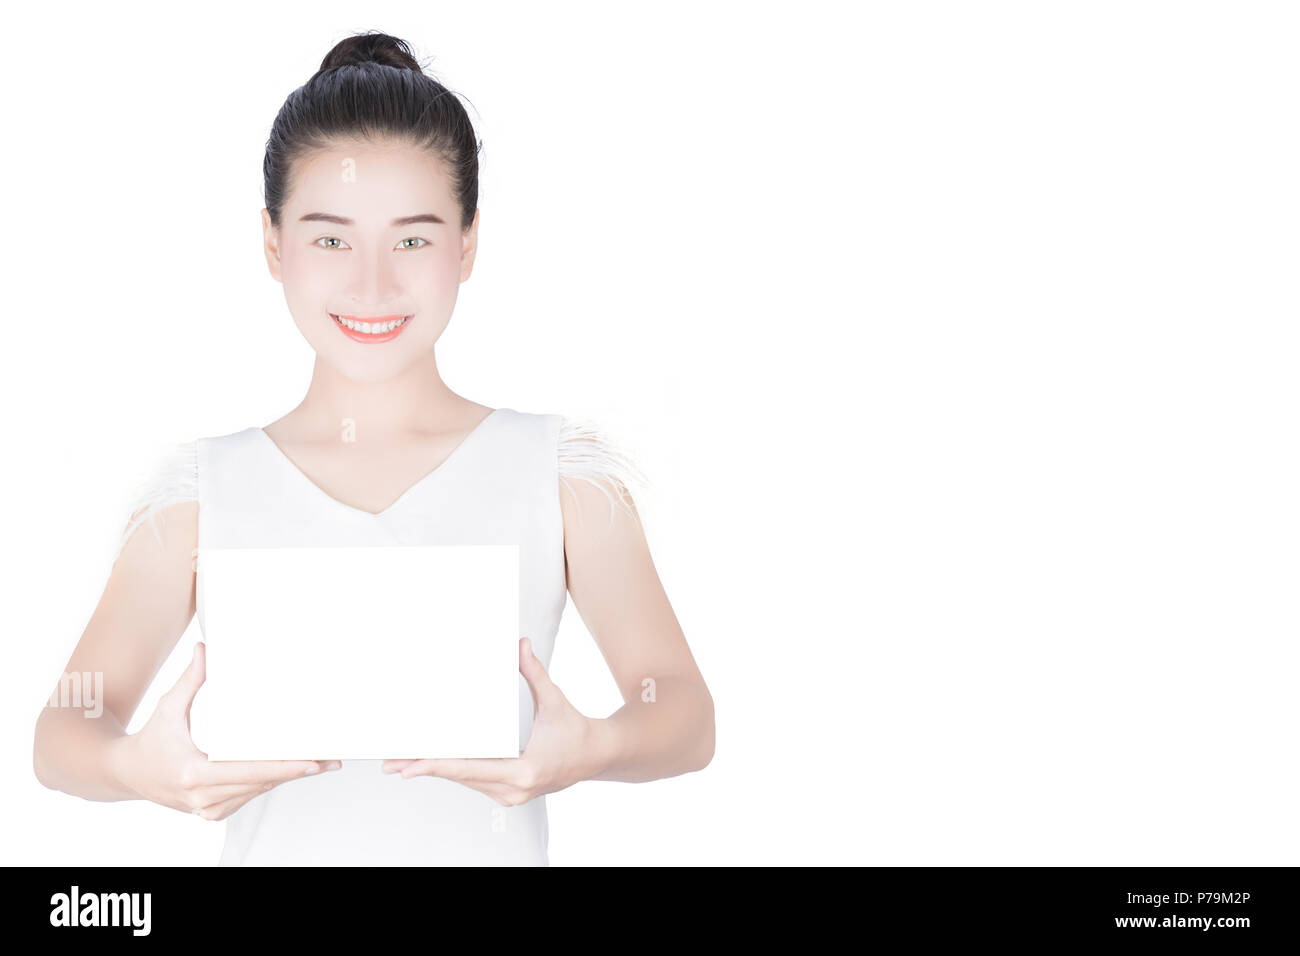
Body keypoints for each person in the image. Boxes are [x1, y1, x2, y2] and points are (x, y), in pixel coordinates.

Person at [32, 30, 714, 866]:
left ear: (467, 244)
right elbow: (64, 728)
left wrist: (592, 747)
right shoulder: (199, 497)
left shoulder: (562, 478)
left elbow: (683, 712)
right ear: (273, 245)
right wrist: (136, 767)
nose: (371, 284)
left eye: (413, 239)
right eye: (330, 239)